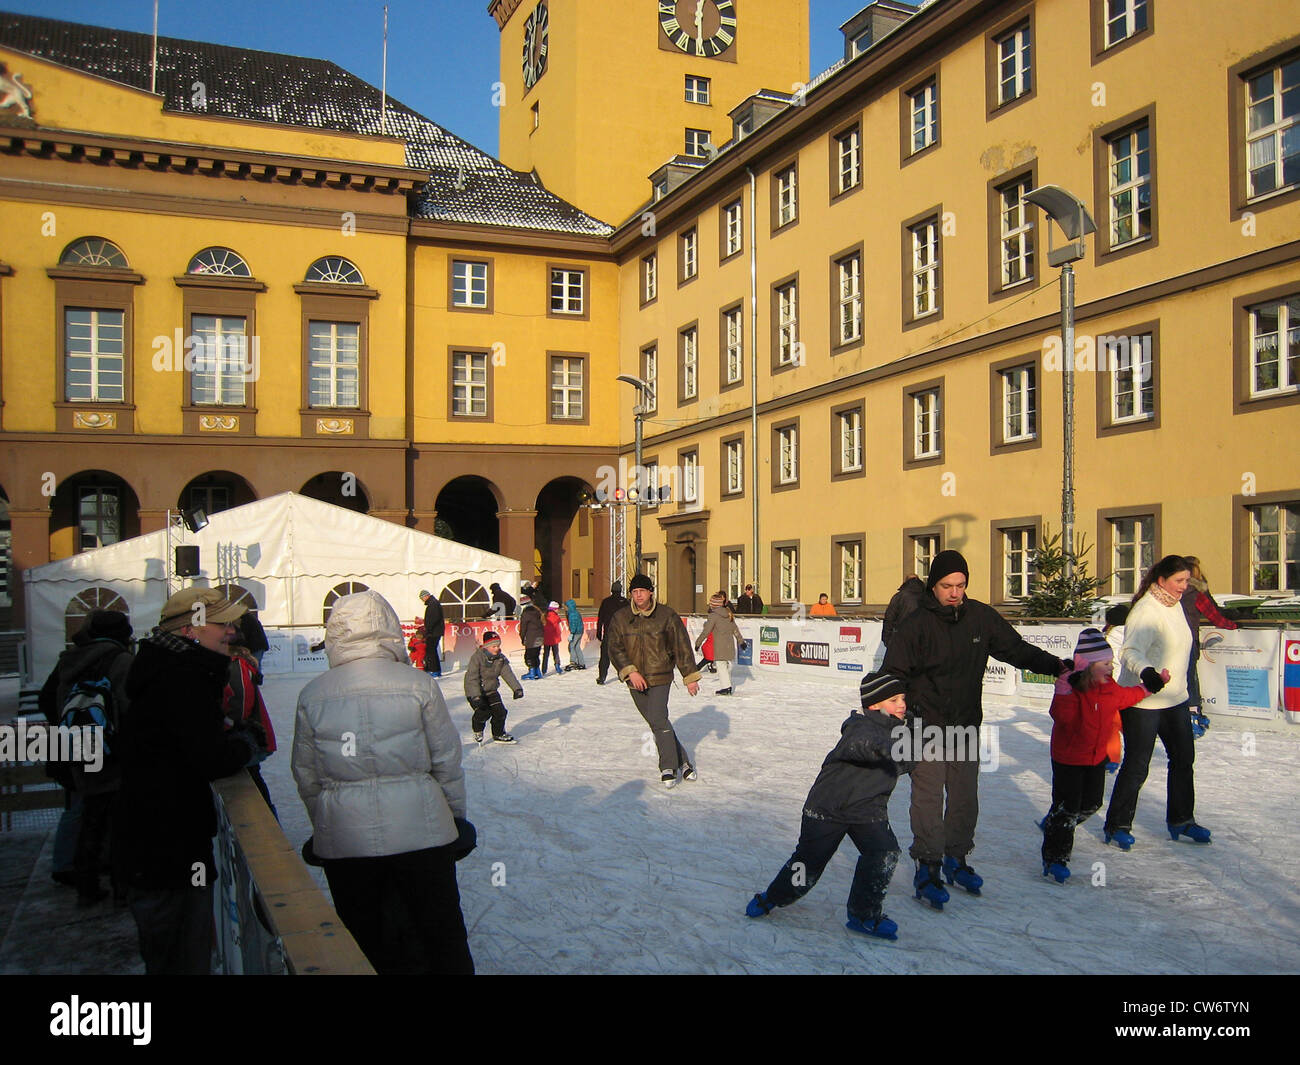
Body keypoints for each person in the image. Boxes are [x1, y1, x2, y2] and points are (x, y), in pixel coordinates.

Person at [292, 590, 474, 975]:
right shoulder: (418, 685)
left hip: (346, 842)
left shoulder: (313, 694)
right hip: (422, 836)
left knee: (365, 941)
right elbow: (446, 759)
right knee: (439, 937)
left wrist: (324, 823)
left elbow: (307, 775)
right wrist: (454, 819)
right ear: (390, 629)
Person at [882, 549, 1070, 908]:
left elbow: (1015, 649)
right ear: (932, 586)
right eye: (946, 585)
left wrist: (1056, 666)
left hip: (966, 723)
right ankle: (928, 864)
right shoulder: (916, 624)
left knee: (965, 798)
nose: (955, 592)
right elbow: (893, 675)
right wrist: (891, 719)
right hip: (924, 726)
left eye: (961, 585)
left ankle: (956, 857)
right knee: (928, 798)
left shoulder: (980, 618)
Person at [118, 587, 264, 974]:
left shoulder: (172, 668)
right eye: (223, 624)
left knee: (181, 948)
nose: (232, 631)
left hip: (161, 843)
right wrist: (246, 746)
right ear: (190, 630)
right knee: (180, 952)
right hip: (166, 846)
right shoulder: (183, 678)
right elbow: (208, 757)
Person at [745, 671, 913, 940]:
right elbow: (862, 745)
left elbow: (908, 759)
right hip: (827, 809)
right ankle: (773, 896)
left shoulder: (901, 732)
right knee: (807, 865)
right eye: (894, 700)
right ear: (873, 705)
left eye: (902, 698)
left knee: (884, 853)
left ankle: (864, 914)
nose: (902, 704)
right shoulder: (860, 728)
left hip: (868, 809)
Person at [1103, 555, 1212, 849]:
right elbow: (1130, 652)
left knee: (1183, 759)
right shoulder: (1145, 611)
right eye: (1179, 581)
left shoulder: (1174, 605)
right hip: (1143, 699)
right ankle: (1117, 825)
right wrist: (1147, 672)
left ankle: (1181, 820)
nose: (1184, 586)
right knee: (1138, 764)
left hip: (1175, 698)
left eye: (1187, 581)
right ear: (1162, 580)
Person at [1040, 629, 1165, 884]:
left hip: (1096, 757)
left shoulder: (1110, 687)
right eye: (1105, 663)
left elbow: (1127, 697)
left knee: (1092, 803)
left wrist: (1148, 687)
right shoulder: (1073, 690)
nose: (1111, 667)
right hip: (1069, 758)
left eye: (1110, 662)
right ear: (1087, 665)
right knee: (1068, 807)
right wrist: (1063, 691)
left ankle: (1056, 823)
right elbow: (1062, 718)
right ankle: (1056, 858)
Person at [37, 609, 134, 905]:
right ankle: (122, 888)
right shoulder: (121, 661)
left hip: (78, 749)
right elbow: (129, 707)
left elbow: (48, 699)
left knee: (88, 817)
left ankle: (85, 885)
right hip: (113, 752)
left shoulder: (69, 660)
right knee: (120, 824)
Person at [606, 572, 701, 787]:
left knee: (657, 718)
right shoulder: (621, 618)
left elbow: (682, 646)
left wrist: (690, 677)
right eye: (634, 592)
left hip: (661, 676)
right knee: (657, 722)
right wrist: (630, 671)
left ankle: (667, 766)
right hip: (635, 680)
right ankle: (684, 762)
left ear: (651, 592)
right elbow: (614, 647)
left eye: (642, 591)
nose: (638, 596)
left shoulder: (666, 615)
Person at [1180, 556, 1240, 738]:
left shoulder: (1173, 590)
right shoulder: (1196, 591)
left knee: (1180, 678)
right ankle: (1193, 715)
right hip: (1188, 639)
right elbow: (1214, 615)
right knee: (1190, 678)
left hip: (1171, 639)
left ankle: (1185, 714)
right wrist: (1233, 625)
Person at [224, 627, 278, 816]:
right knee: (252, 780)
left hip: (245, 737)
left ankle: (270, 827)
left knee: (253, 781)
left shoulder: (236, 664)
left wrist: (231, 724)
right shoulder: (236, 663)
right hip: (246, 735)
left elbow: (242, 703)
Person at [464, 631, 523, 744]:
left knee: (500, 712)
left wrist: (517, 688)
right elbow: (472, 678)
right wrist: (476, 696)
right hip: (476, 692)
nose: (496, 649)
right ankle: (478, 730)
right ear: (486, 647)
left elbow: (508, 674)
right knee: (483, 712)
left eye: (498, 646)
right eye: (493, 646)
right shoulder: (477, 658)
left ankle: (498, 734)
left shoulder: (500, 659)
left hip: (491, 690)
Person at [695, 591, 745, 696]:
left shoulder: (713, 616)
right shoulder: (728, 614)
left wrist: (698, 642)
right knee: (723, 665)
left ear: (713, 605)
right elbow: (735, 629)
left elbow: (706, 631)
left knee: (721, 666)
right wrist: (741, 642)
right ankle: (727, 686)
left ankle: (726, 688)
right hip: (729, 644)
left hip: (720, 646)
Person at [595, 581, 628, 685]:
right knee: (622, 655)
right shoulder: (626, 602)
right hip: (622, 634)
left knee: (604, 657)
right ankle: (622, 674)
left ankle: (602, 677)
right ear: (621, 590)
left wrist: (599, 632)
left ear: (612, 590)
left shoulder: (606, 602)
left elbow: (601, 618)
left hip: (608, 633)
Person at [881, 575, 926, 646]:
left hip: (902, 638)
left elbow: (889, 618)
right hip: (923, 637)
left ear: (905, 582)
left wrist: (887, 639)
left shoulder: (899, 596)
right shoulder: (927, 595)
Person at [419, 589, 445, 678]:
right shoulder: (433, 603)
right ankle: (436, 670)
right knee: (432, 651)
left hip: (434, 632)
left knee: (430, 651)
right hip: (435, 631)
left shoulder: (433, 604)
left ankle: (434, 670)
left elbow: (433, 619)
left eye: (422, 598)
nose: (422, 600)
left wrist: (428, 630)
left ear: (426, 596)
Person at [518, 594, 544, 680]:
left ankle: (532, 672)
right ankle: (537, 671)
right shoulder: (537, 611)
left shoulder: (526, 614)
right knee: (536, 654)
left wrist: (522, 638)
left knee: (529, 655)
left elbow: (523, 628)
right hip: (540, 636)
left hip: (531, 637)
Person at [563, 598, 587, 671]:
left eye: (565, 607)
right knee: (577, 647)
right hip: (580, 631)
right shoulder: (575, 612)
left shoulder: (572, 614)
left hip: (576, 632)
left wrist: (572, 633)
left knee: (572, 646)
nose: (564, 608)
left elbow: (573, 624)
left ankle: (573, 662)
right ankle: (581, 663)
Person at [542, 601, 564, 676]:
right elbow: (558, 628)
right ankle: (557, 666)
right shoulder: (556, 617)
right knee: (556, 653)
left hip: (546, 638)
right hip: (555, 638)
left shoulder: (544, 616)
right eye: (557, 609)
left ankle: (544, 669)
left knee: (546, 654)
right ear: (554, 609)